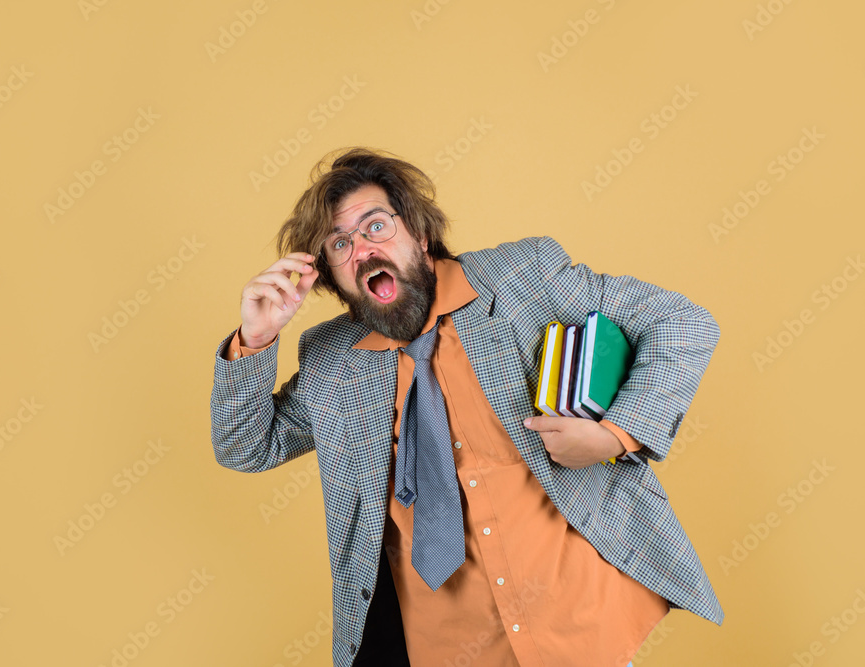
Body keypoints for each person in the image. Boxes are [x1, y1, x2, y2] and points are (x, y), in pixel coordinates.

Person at [210, 147, 723, 666]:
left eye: (375, 226)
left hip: (579, 629)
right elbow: (246, 447)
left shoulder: (521, 278)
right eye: (339, 244)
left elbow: (680, 323)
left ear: (419, 233)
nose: (362, 250)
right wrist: (256, 339)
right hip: (446, 649)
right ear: (329, 275)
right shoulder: (333, 362)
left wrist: (614, 435)